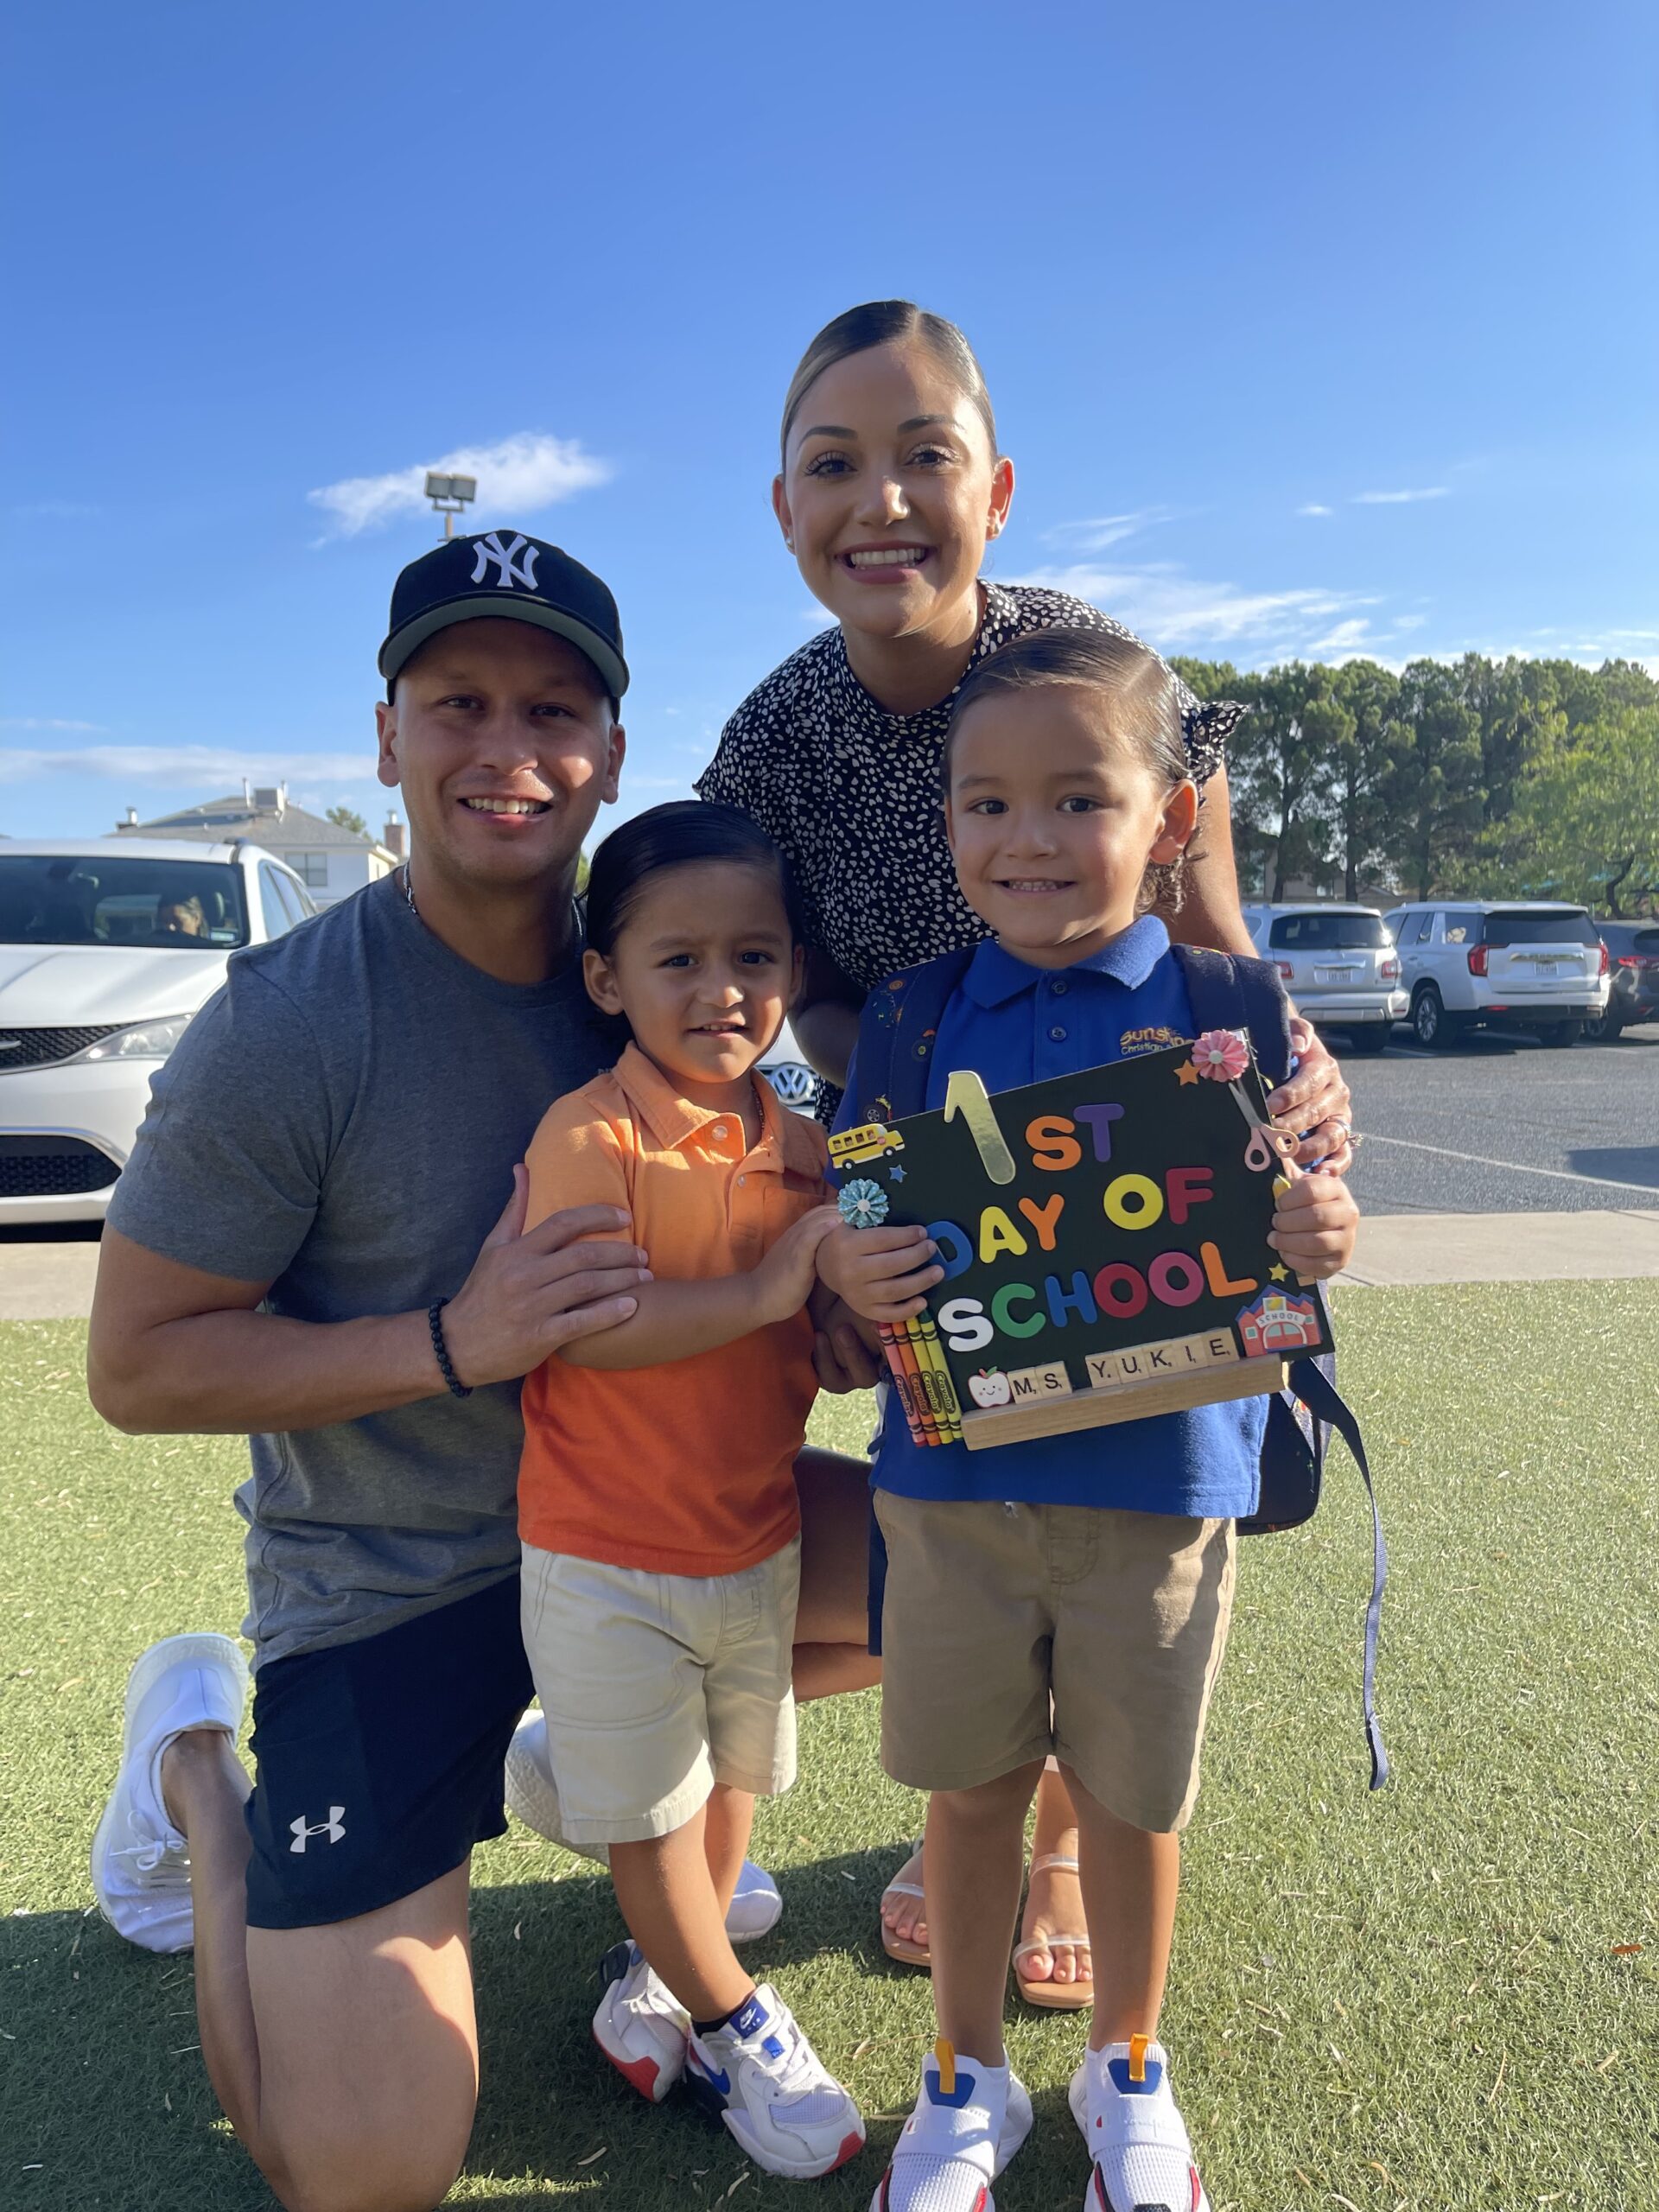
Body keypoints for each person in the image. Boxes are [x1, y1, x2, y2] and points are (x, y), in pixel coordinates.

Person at [82, 534, 874, 2212]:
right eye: (459, 703)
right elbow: (138, 1365)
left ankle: (599, 1804)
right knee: (364, 2168)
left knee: (973, 1577)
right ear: (386, 737)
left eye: (555, 708)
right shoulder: (289, 1023)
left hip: (650, 1527)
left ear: (608, 751)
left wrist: (820, 1307)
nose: (508, 749)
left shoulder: (678, 971)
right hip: (392, 1581)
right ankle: (202, 1782)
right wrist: (458, 1336)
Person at [697, 297, 1356, 1999]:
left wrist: (1289, 1066)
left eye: (925, 456)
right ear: (785, 512)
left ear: (995, 486)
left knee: (1135, 1494)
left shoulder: (1078, 650)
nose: (882, 502)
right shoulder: (772, 738)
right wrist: (846, 1176)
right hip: (933, 1150)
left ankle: (1065, 1830)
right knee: (969, 1496)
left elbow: (1208, 926)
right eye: (834, 464)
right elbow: (760, 990)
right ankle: (975, 1792)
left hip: (1131, 1147)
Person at [817, 626, 1360, 2212]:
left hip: (1165, 1489)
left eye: (1077, 799)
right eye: (988, 805)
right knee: (972, 1793)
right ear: (950, 830)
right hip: (951, 1492)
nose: (1028, 840)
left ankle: (1128, 2063)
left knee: (1129, 1802)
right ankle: (962, 2072)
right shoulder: (912, 1024)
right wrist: (847, 1261)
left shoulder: (1235, 1005)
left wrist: (1321, 1236)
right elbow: (856, 1238)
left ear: (1168, 820)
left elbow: (1303, 1225)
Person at [514, 801, 864, 2177]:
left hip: (753, 1527)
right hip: (604, 1543)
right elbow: (590, 1323)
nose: (723, 991)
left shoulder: (810, 1145)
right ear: (606, 978)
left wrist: (832, 1333)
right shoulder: (589, 1136)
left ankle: (660, 1966)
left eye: (755, 957)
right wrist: (776, 1285)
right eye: (678, 960)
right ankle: (732, 2012)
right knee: (660, 1813)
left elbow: (815, 1341)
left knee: (729, 1782)